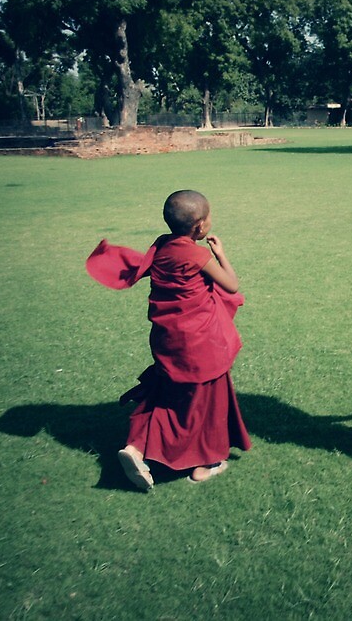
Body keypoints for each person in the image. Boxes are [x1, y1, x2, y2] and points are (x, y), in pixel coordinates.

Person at [86, 190, 251, 489]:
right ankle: (205, 465)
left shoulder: (163, 245)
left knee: (164, 394)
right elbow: (231, 284)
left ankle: (135, 447)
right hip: (201, 343)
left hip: (170, 340)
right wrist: (221, 254)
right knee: (205, 403)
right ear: (200, 226)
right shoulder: (198, 254)